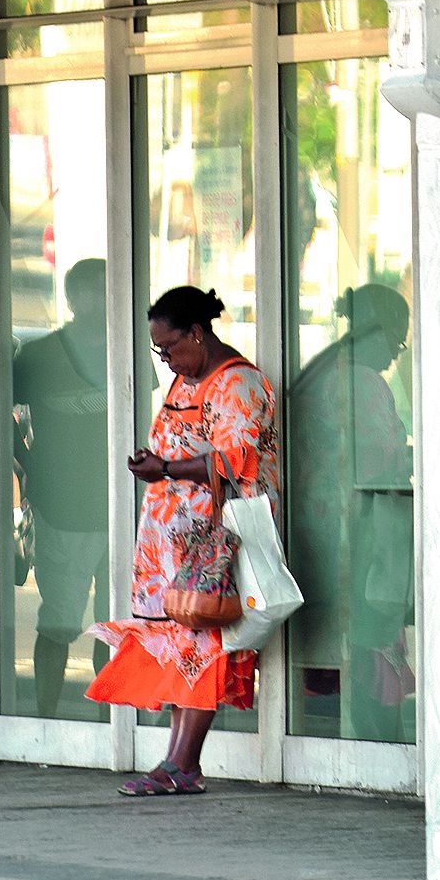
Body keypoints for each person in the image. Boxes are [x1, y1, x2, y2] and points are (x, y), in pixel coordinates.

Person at [87, 285, 279, 796]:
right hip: (172, 548)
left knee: (203, 643)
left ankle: (184, 765)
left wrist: (167, 467)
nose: (166, 361)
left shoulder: (237, 383)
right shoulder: (186, 382)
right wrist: (156, 470)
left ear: (197, 333)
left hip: (212, 547)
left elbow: (238, 461)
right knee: (177, 646)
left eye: (169, 348)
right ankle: (174, 761)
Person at [289, 284, 415, 740]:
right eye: (397, 338)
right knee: (371, 638)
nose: (398, 352)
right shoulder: (364, 381)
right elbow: (382, 462)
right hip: (359, 531)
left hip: (317, 525)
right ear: (375, 330)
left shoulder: (322, 369)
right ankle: (380, 742)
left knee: (335, 642)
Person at [12, 258, 109, 717]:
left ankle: (117, 719)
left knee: (121, 625)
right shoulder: (40, 355)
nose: (101, 299)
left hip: (123, 506)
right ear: (71, 298)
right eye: (91, 290)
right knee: (58, 622)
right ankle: (46, 720)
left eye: (108, 289)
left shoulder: (127, 349)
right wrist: (27, 464)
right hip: (62, 507)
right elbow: (1, 414)